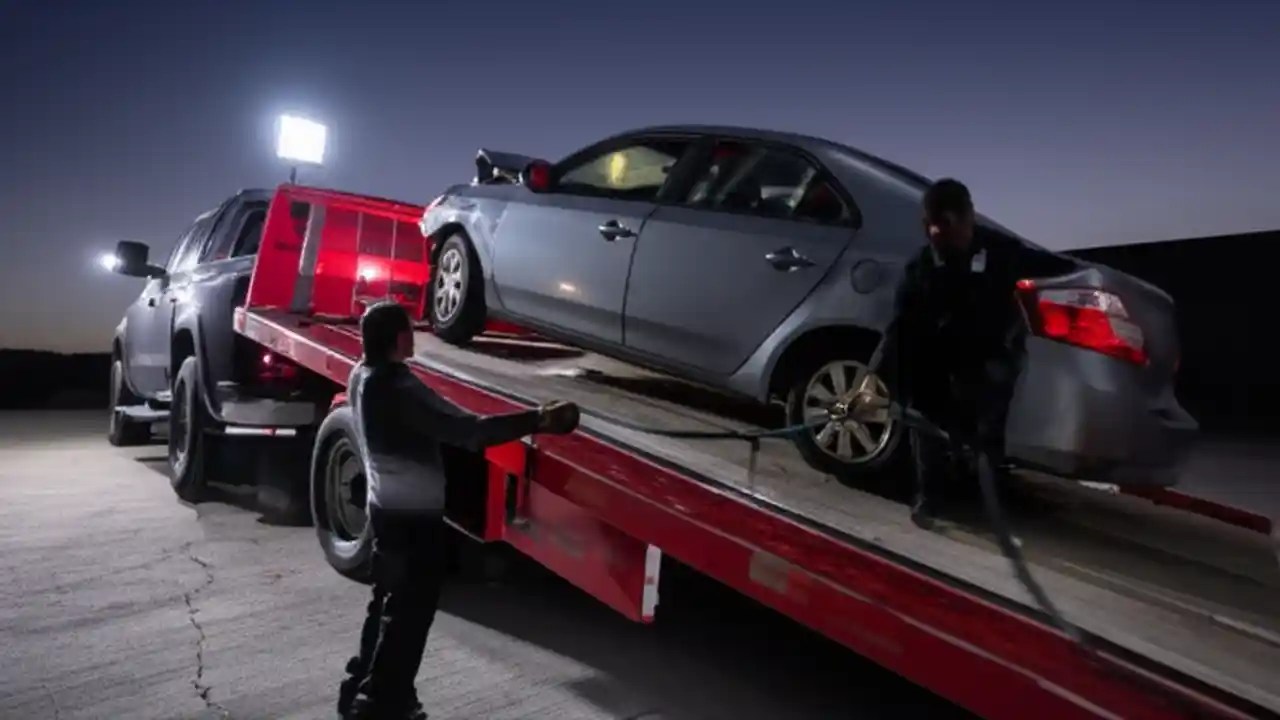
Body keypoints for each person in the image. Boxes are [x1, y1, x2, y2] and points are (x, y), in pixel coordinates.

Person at [338, 300, 580, 719]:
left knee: (386, 604)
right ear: (399, 340)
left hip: (385, 512)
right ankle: (381, 703)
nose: (415, 335)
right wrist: (538, 419)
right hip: (413, 522)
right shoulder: (397, 388)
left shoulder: (361, 375)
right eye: (411, 330)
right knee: (408, 617)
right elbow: (469, 432)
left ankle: (359, 687)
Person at [862, 179, 1074, 529]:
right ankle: (929, 498)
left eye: (947, 225)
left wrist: (1091, 273)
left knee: (984, 431)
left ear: (968, 218)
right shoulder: (920, 270)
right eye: (931, 226)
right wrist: (872, 382)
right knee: (923, 415)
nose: (937, 234)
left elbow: (1053, 266)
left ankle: (986, 494)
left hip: (991, 357)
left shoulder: (1002, 251)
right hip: (940, 357)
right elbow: (899, 327)